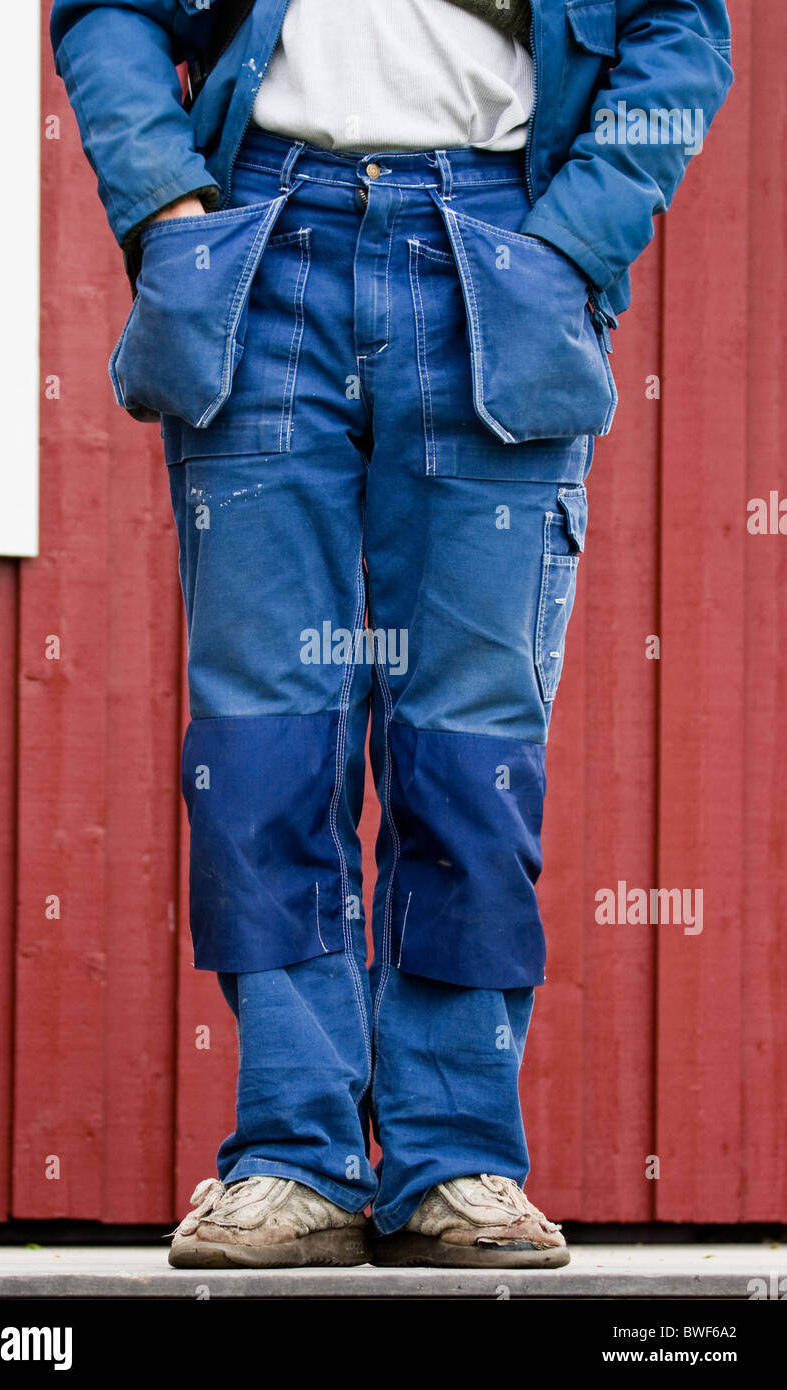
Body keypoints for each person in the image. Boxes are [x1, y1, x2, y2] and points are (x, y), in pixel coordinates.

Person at [50, 0, 733, 1269]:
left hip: (495, 243)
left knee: (467, 745)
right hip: (260, 241)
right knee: (261, 745)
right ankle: (293, 1157)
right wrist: (166, 213)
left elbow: (682, 39)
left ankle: (454, 1153)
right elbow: (105, 13)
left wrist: (568, 244)